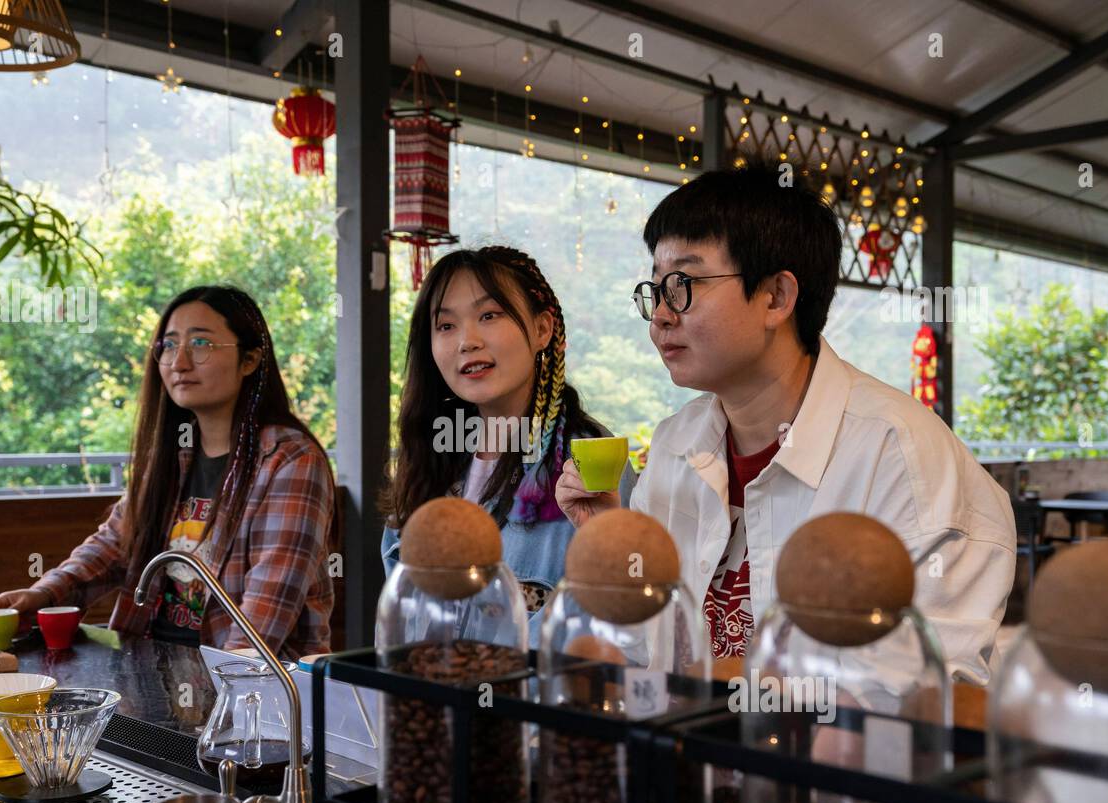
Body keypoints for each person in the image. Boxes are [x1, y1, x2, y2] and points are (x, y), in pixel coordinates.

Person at [557, 161, 1016, 684]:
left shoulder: (906, 460)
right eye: (655, 288)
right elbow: (648, 652)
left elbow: (916, 700)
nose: (661, 314)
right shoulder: (675, 445)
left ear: (777, 296)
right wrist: (614, 545)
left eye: (683, 283)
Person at [0, 285, 335, 660]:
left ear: (250, 360)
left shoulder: (289, 461)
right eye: (169, 346)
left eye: (200, 344)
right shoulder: (174, 455)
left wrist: (211, 711)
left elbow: (257, 632)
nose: (179, 362)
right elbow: (114, 544)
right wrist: (44, 593)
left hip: (252, 699)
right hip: (151, 674)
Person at [380, 246, 632, 638]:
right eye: (446, 325)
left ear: (542, 330)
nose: (468, 340)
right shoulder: (430, 458)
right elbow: (399, 624)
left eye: (489, 315)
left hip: (531, 696)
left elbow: (614, 623)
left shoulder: (585, 459)